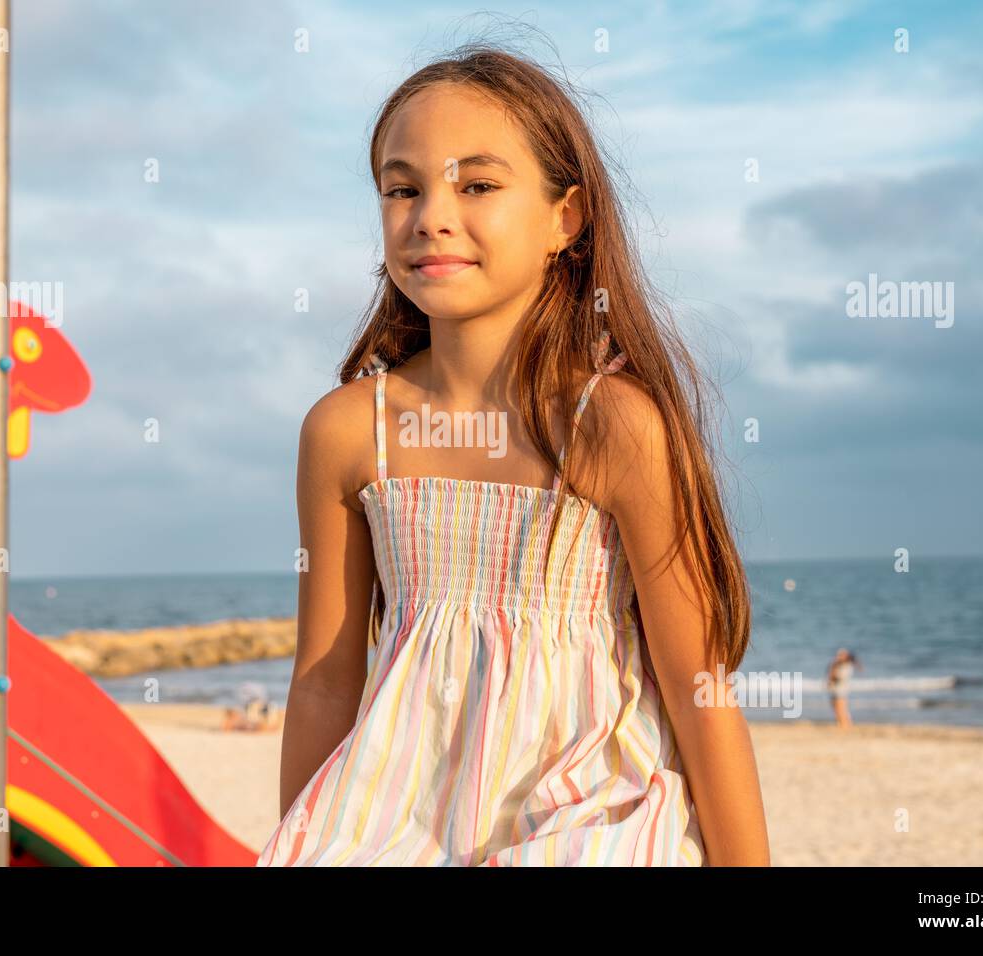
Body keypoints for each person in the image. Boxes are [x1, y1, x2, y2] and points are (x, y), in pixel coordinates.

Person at [257, 43, 768, 866]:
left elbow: (698, 689)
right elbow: (323, 679)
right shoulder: (350, 432)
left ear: (565, 220)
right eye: (402, 188)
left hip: (590, 815)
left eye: (478, 186)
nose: (431, 215)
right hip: (395, 821)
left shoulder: (612, 427)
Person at [826, 648, 862, 730]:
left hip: (841, 690)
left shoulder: (847, 666)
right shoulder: (837, 665)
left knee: (841, 708)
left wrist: (833, 673)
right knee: (835, 707)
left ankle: (846, 725)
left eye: (840, 655)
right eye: (838, 655)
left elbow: (839, 678)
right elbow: (831, 677)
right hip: (835, 689)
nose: (838, 657)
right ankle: (841, 724)